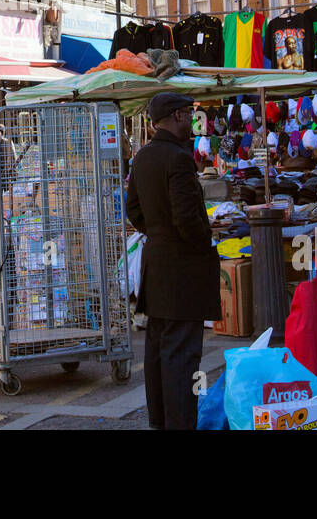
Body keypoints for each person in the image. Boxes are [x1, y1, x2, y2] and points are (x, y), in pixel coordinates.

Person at [126, 92, 219, 430]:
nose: (193, 123)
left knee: (159, 354)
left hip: (157, 268)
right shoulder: (177, 159)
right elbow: (186, 219)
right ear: (178, 116)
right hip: (182, 272)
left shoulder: (144, 156)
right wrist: (203, 243)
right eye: (190, 115)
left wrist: (157, 232)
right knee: (182, 359)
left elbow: (133, 209)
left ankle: (160, 422)